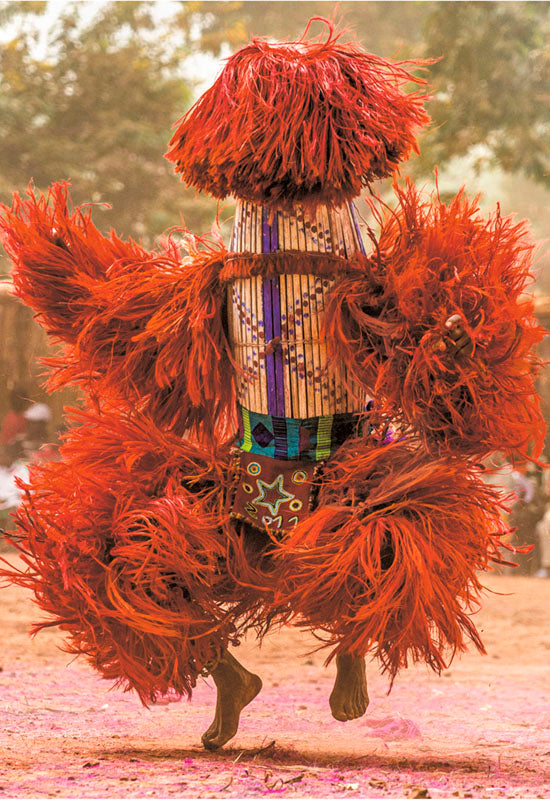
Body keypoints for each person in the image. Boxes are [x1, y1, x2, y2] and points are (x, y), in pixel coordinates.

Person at [0, 20, 544, 750]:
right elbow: (136, 321)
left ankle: (350, 647)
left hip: (350, 466)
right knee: (107, 553)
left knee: (378, 547)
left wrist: (461, 341)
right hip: (247, 467)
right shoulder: (214, 281)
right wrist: (72, 276)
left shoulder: (366, 266)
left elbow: (425, 333)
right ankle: (227, 674)